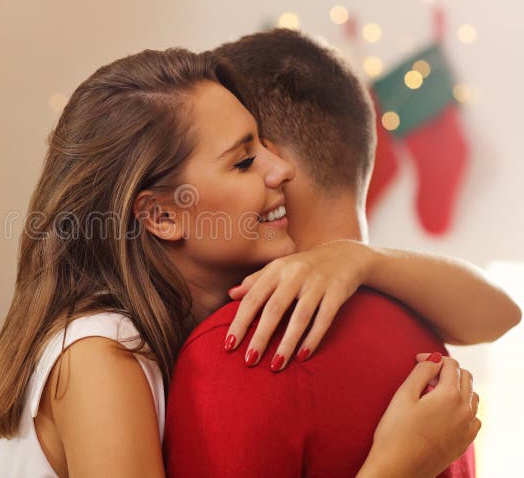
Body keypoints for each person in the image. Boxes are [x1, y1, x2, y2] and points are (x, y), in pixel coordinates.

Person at [0, 47, 517, 477]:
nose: (281, 169)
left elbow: (500, 314)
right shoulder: (99, 354)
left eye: (267, 146)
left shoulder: (182, 327)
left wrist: (358, 260)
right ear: (163, 216)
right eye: (244, 160)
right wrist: (398, 466)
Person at [163, 29, 520, 477]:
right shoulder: (428, 320)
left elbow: (505, 312)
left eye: (242, 157)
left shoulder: (240, 349)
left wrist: (358, 258)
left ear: (270, 161)